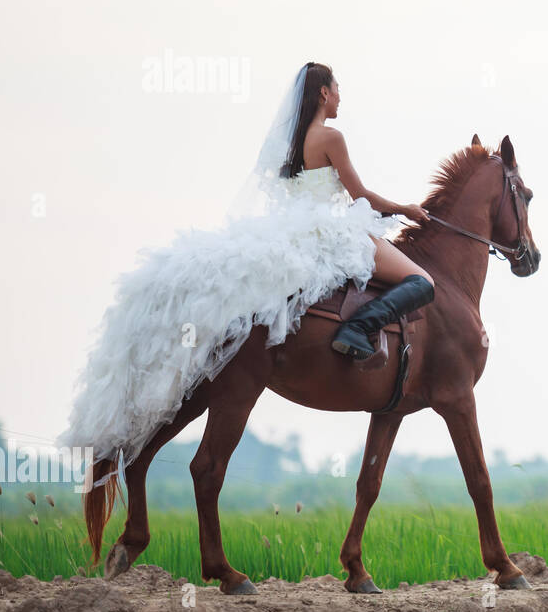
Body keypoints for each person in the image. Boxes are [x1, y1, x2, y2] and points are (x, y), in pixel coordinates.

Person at [60, 62, 435, 469]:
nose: (341, 94)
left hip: (291, 230)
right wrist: (406, 209)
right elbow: (359, 195)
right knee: (422, 280)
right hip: (330, 232)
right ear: (323, 93)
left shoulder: (290, 143)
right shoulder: (331, 136)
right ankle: (359, 329)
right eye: (337, 87)